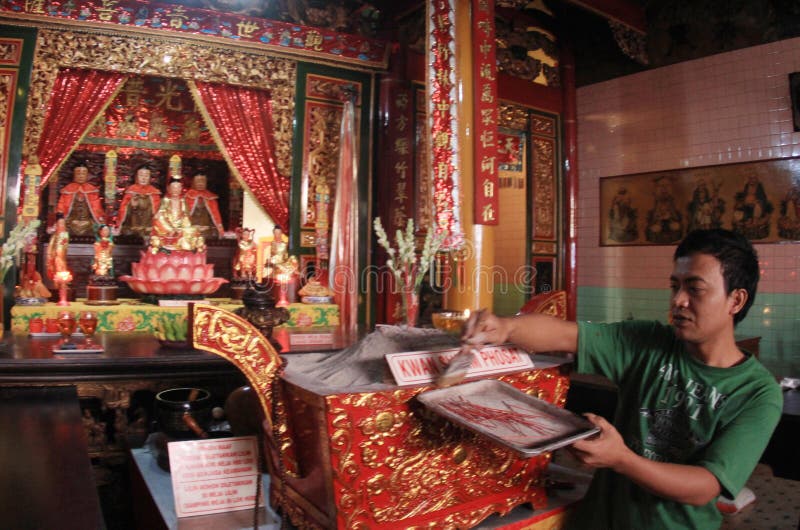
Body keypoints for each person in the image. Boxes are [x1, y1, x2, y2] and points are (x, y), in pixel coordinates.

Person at [462, 229, 782, 529]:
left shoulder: (757, 393)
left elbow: (704, 487)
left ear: (736, 301)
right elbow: (564, 334)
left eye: (694, 289)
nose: (678, 301)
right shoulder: (649, 343)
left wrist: (621, 459)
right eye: (675, 286)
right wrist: (505, 327)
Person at [150, 179, 204, 253]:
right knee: (157, 221)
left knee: (194, 230)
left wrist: (181, 228)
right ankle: (177, 245)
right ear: (169, 189)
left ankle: (184, 246)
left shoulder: (183, 201)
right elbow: (159, 217)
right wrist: (170, 229)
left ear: (181, 189)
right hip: (167, 229)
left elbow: (186, 217)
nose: (176, 190)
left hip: (181, 228)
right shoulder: (165, 201)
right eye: (173, 187)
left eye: (178, 187)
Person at [55, 163, 105, 236]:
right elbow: (61, 207)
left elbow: (97, 210)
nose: (81, 176)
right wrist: (61, 219)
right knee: (64, 228)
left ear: (87, 176)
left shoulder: (92, 191)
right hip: (71, 221)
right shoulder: (67, 190)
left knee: (96, 228)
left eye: (83, 174)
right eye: (78, 174)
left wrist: (100, 220)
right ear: (74, 175)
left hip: (88, 222)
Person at [117, 165, 162, 237]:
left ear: (150, 178)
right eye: (141, 175)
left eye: (146, 176)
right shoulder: (131, 191)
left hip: (148, 225)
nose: (143, 178)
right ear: (136, 177)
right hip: (133, 224)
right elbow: (123, 211)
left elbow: (158, 211)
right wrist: (132, 206)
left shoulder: (154, 193)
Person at [184, 174, 224, 239]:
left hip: (206, 228)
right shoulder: (187, 197)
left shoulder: (211, 198)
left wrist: (215, 228)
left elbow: (215, 216)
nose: (200, 183)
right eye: (198, 181)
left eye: (203, 181)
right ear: (193, 182)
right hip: (191, 228)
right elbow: (184, 216)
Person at [46, 214, 70, 284]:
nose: (61, 226)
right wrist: (51, 255)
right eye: (59, 224)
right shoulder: (55, 236)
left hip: (60, 256)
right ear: (56, 225)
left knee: (60, 265)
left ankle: (62, 284)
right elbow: (50, 246)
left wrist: (58, 255)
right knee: (56, 268)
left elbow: (62, 248)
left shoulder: (64, 235)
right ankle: (58, 284)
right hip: (54, 255)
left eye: (63, 224)